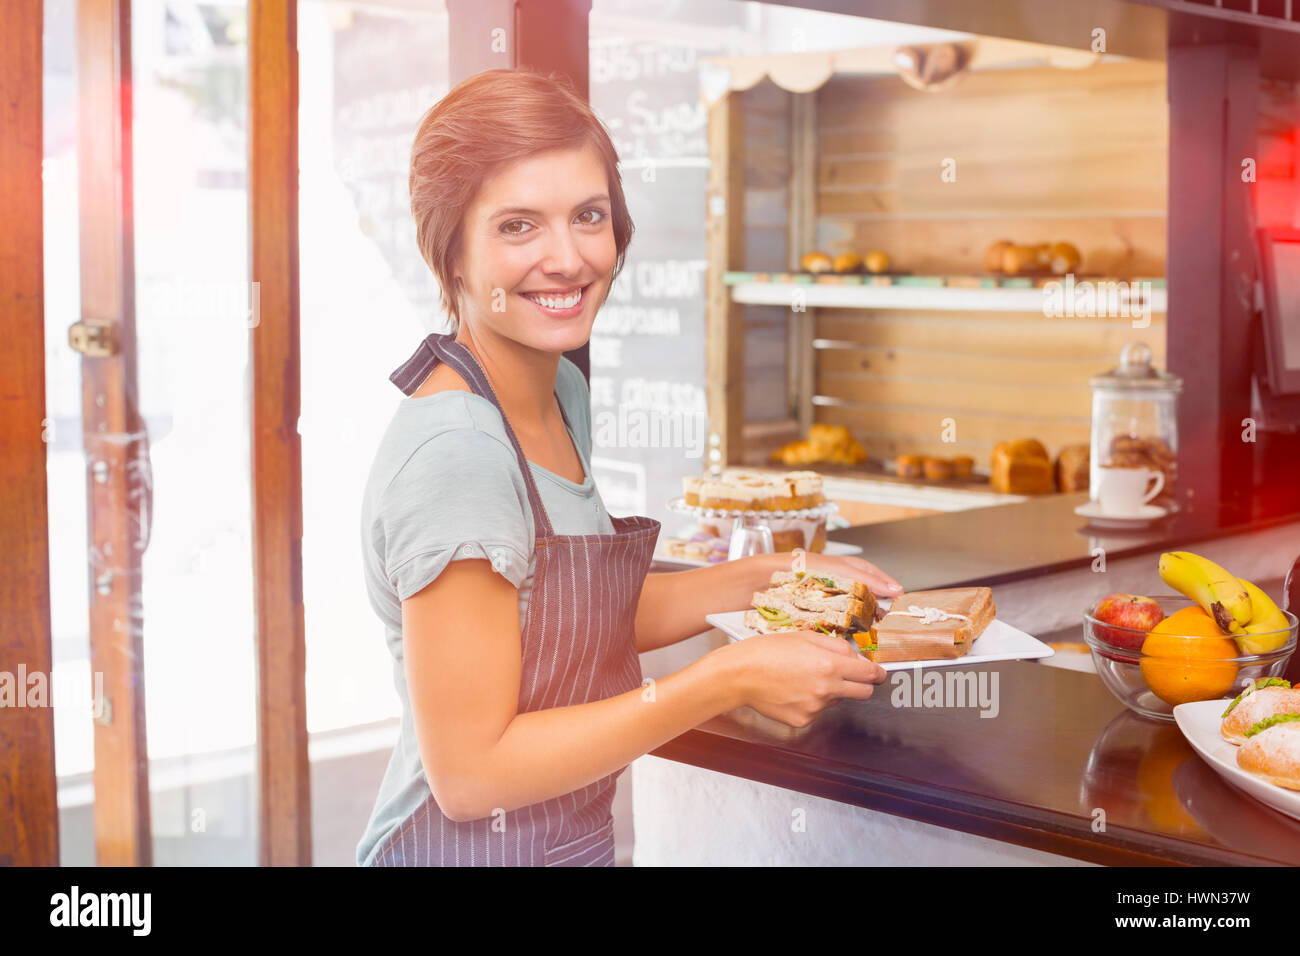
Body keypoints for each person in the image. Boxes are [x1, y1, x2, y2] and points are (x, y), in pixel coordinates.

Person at [356, 68, 901, 867]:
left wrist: (776, 575)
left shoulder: (557, 391)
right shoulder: (459, 458)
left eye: (588, 216)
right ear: (452, 250)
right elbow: (471, 775)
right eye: (517, 226)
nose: (568, 258)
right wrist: (723, 681)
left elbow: (565, 624)